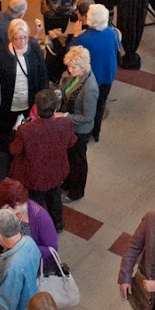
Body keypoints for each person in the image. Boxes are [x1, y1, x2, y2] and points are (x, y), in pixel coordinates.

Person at [9, 89, 74, 231]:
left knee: (35, 203)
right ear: (55, 108)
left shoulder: (25, 129)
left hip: (34, 175)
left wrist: (16, 132)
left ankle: (35, 228)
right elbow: (71, 142)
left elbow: (14, 150)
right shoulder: (65, 123)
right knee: (54, 196)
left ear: (36, 108)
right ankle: (58, 224)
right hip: (57, 171)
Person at [0, 17, 48, 153]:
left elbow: (42, 75)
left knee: (26, 135)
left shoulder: (35, 48)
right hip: (7, 106)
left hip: (28, 103)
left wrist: (42, 100)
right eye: (17, 38)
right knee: (5, 136)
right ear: (11, 37)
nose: (22, 41)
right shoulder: (0, 54)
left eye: (25, 37)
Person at [68, 3, 119, 142]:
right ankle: (96, 132)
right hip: (108, 75)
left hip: (92, 80)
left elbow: (70, 55)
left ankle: (86, 131)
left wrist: (75, 36)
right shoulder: (112, 32)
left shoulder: (84, 38)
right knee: (101, 104)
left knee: (87, 107)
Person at [58, 46, 99, 202]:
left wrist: (65, 115)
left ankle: (76, 192)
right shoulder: (77, 76)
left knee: (78, 162)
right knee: (70, 158)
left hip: (80, 131)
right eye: (68, 66)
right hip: (70, 128)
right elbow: (67, 89)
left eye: (73, 67)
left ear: (83, 68)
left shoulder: (90, 89)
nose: (70, 69)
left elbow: (88, 117)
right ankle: (67, 183)